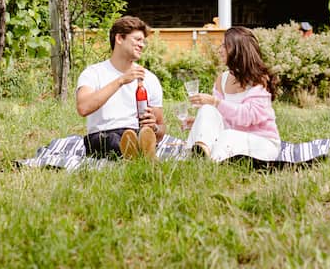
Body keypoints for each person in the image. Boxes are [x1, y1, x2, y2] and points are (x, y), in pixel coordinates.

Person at [185, 25, 281, 162]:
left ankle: (207, 159)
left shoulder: (259, 80)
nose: (220, 50)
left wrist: (215, 102)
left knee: (226, 137)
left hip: (262, 141)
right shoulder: (222, 79)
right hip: (231, 136)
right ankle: (201, 151)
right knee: (207, 110)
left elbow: (247, 116)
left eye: (225, 46)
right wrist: (199, 123)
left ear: (238, 50)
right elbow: (221, 116)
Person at [76, 15, 165, 160]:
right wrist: (121, 80)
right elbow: (83, 108)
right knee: (112, 140)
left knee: (139, 137)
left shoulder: (149, 78)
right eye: (137, 39)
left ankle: (138, 152)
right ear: (119, 39)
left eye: (143, 41)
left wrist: (154, 126)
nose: (142, 45)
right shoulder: (93, 73)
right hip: (103, 135)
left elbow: (161, 129)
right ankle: (140, 155)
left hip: (137, 132)